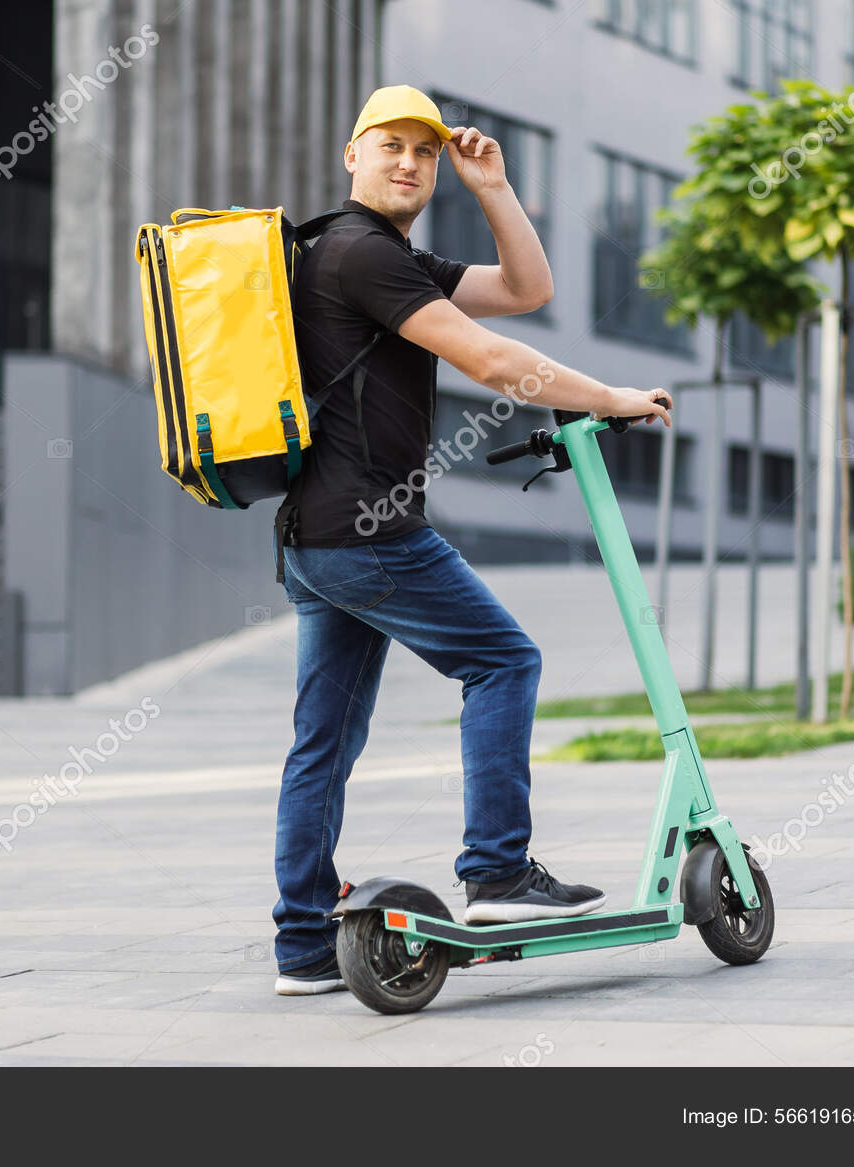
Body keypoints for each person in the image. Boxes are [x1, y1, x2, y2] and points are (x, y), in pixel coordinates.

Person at [271, 85, 673, 995]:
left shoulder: (375, 255)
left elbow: (527, 292)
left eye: (425, 149)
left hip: (315, 537)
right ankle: (497, 873)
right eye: (391, 146)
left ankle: (301, 946)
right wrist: (607, 395)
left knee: (322, 742)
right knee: (504, 662)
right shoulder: (358, 254)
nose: (410, 161)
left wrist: (491, 186)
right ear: (352, 154)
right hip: (369, 532)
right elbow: (489, 360)